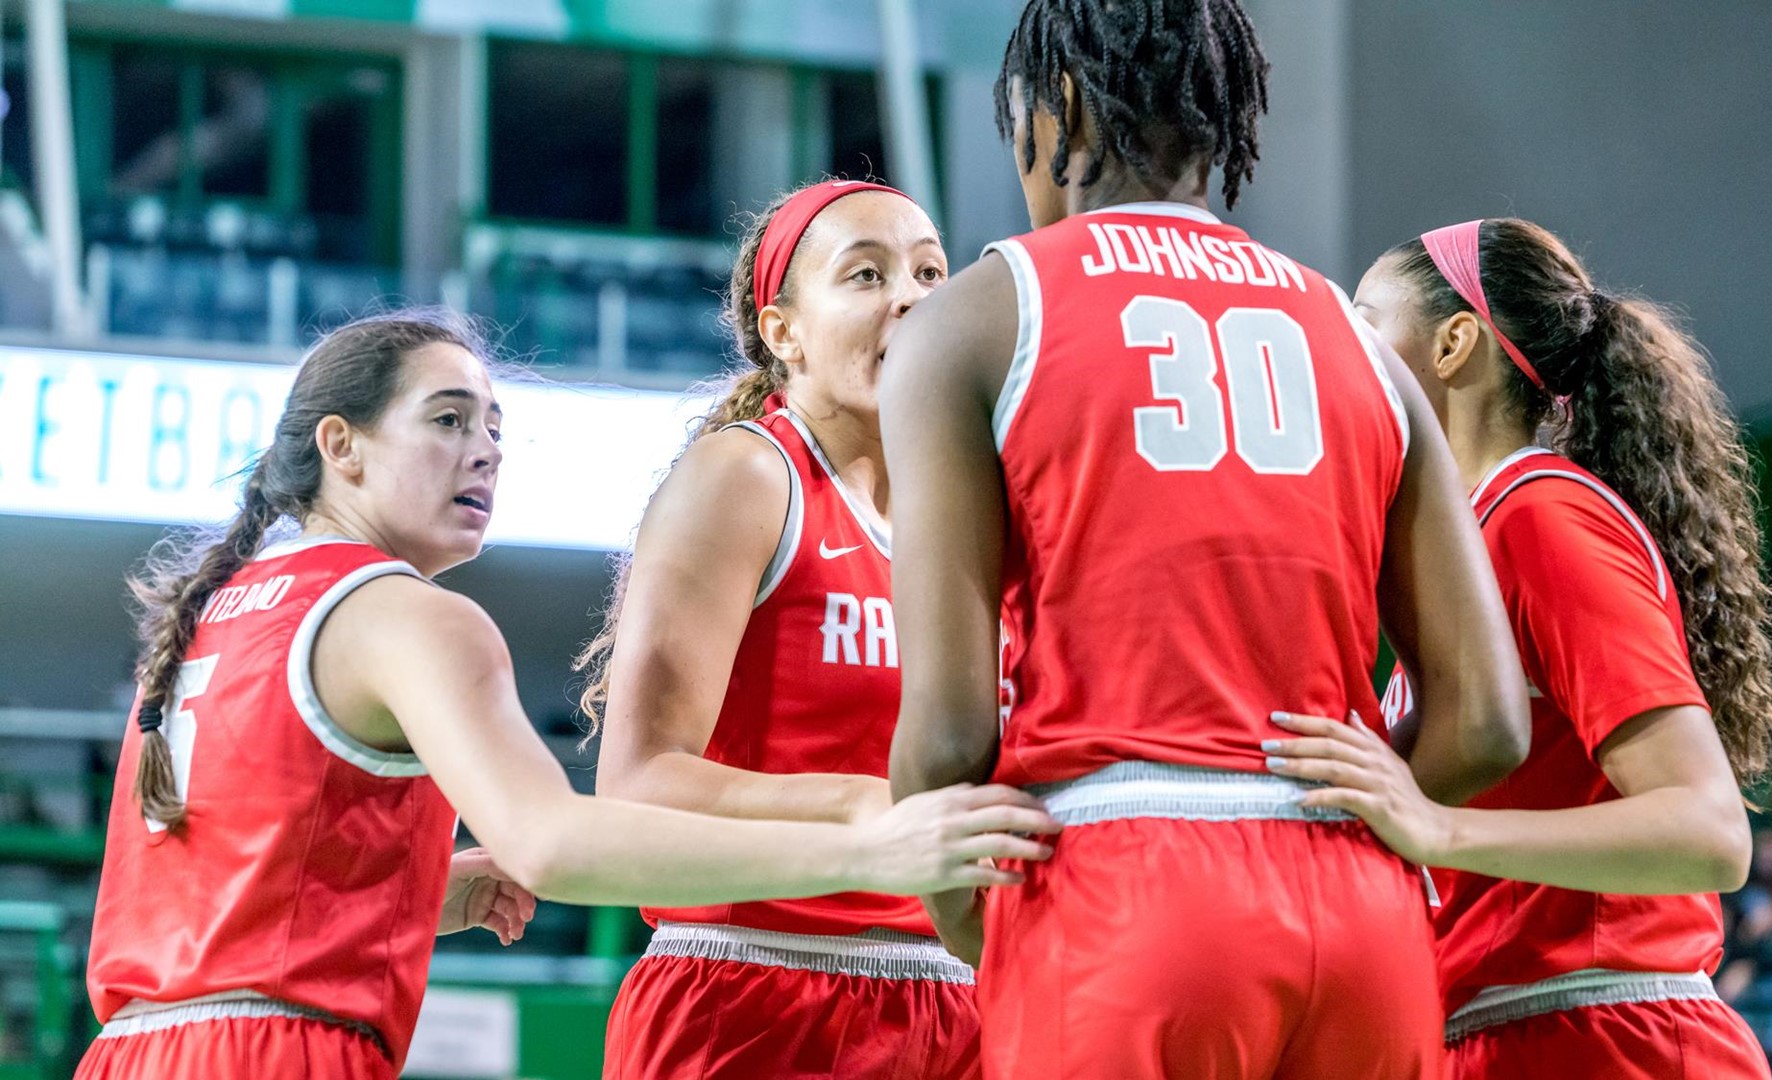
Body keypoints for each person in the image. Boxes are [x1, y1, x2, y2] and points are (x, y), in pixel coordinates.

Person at [78, 310, 1059, 1080]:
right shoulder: (407, 615)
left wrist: (414, 893)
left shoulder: (216, 613)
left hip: (126, 1053)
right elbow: (552, 843)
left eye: (494, 428)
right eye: (448, 420)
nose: (485, 450)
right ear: (342, 445)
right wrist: (866, 847)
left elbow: (223, 898)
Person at [878, 3, 1533, 1077]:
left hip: (1119, 892)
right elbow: (1489, 723)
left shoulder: (975, 317)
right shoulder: (1361, 342)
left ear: (1060, 104)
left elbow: (947, 737)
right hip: (1361, 917)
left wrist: (964, 918)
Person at [1271, 217, 1772, 1078]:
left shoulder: (1539, 514)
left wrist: (1441, 827)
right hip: (1512, 1037)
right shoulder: (1471, 542)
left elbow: (1708, 830)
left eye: (1365, 320)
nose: (1344, 353)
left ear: (1454, 343)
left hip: (1607, 1037)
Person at [574, 181, 987, 1079]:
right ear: (783, 331)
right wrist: (866, 804)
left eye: (930, 273)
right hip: (754, 988)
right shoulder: (747, 477)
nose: (910, 297)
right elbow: (637, 783)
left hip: (956, 1000)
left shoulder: (965, 508)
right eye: (866, 275)